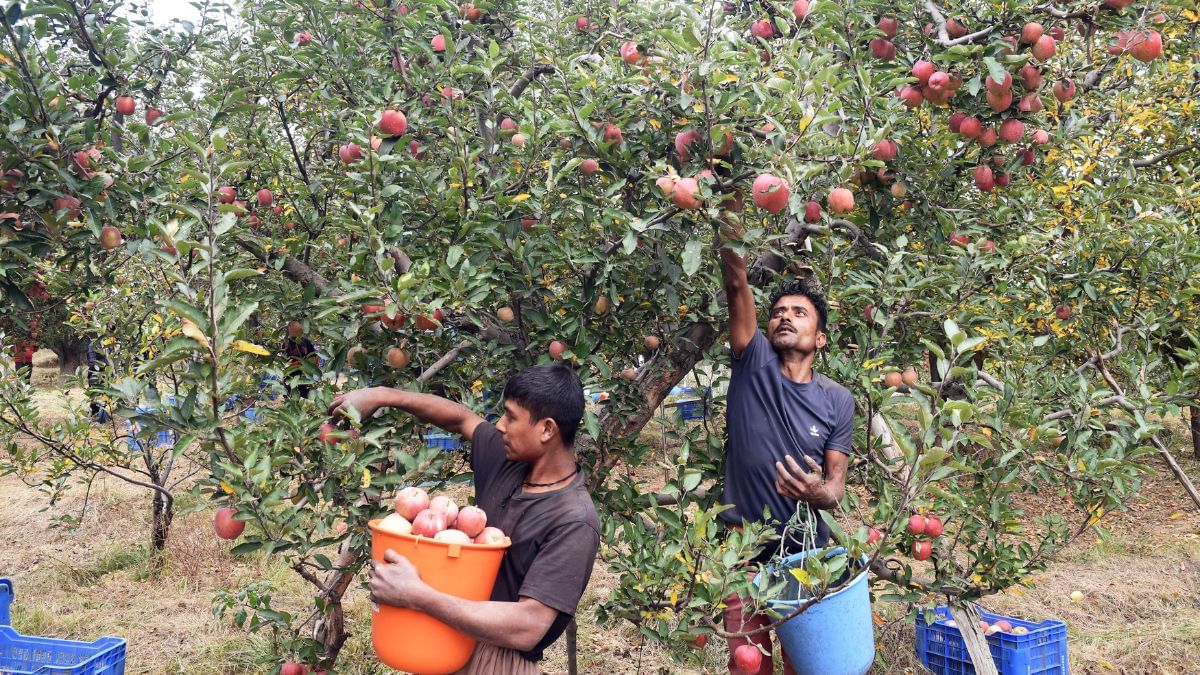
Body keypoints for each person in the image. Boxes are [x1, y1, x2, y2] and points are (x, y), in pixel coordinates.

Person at [328, 363, 600, 674]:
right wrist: (383, 395)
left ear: (547, 429)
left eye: (511, 417)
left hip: (497, 662)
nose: (499, 425)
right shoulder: (507, 460)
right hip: (442, 638)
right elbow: (461, 418)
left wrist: (418, 596)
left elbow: (530, 625)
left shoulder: (573, 520)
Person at [717, 238, 855, 675]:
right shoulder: (752, 361)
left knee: (808, 662)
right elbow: (737, 283)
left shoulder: (838, 400)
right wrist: (729, 203)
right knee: (747, 663)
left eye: (799, 313)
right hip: (744, 550)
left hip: (805, 554)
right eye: (778, 312)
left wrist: (817, 493)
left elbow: (836, 489)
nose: (784, 318)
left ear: (820, 337)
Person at [281, 320, 317, 398]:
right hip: (290, 377)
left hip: (304, 376)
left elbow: (314, 357)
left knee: (307, 397)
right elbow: (284, 362)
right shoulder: (286, 344)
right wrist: (297, 363)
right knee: (291, 398)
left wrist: (310, 366)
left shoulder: (306, 342)